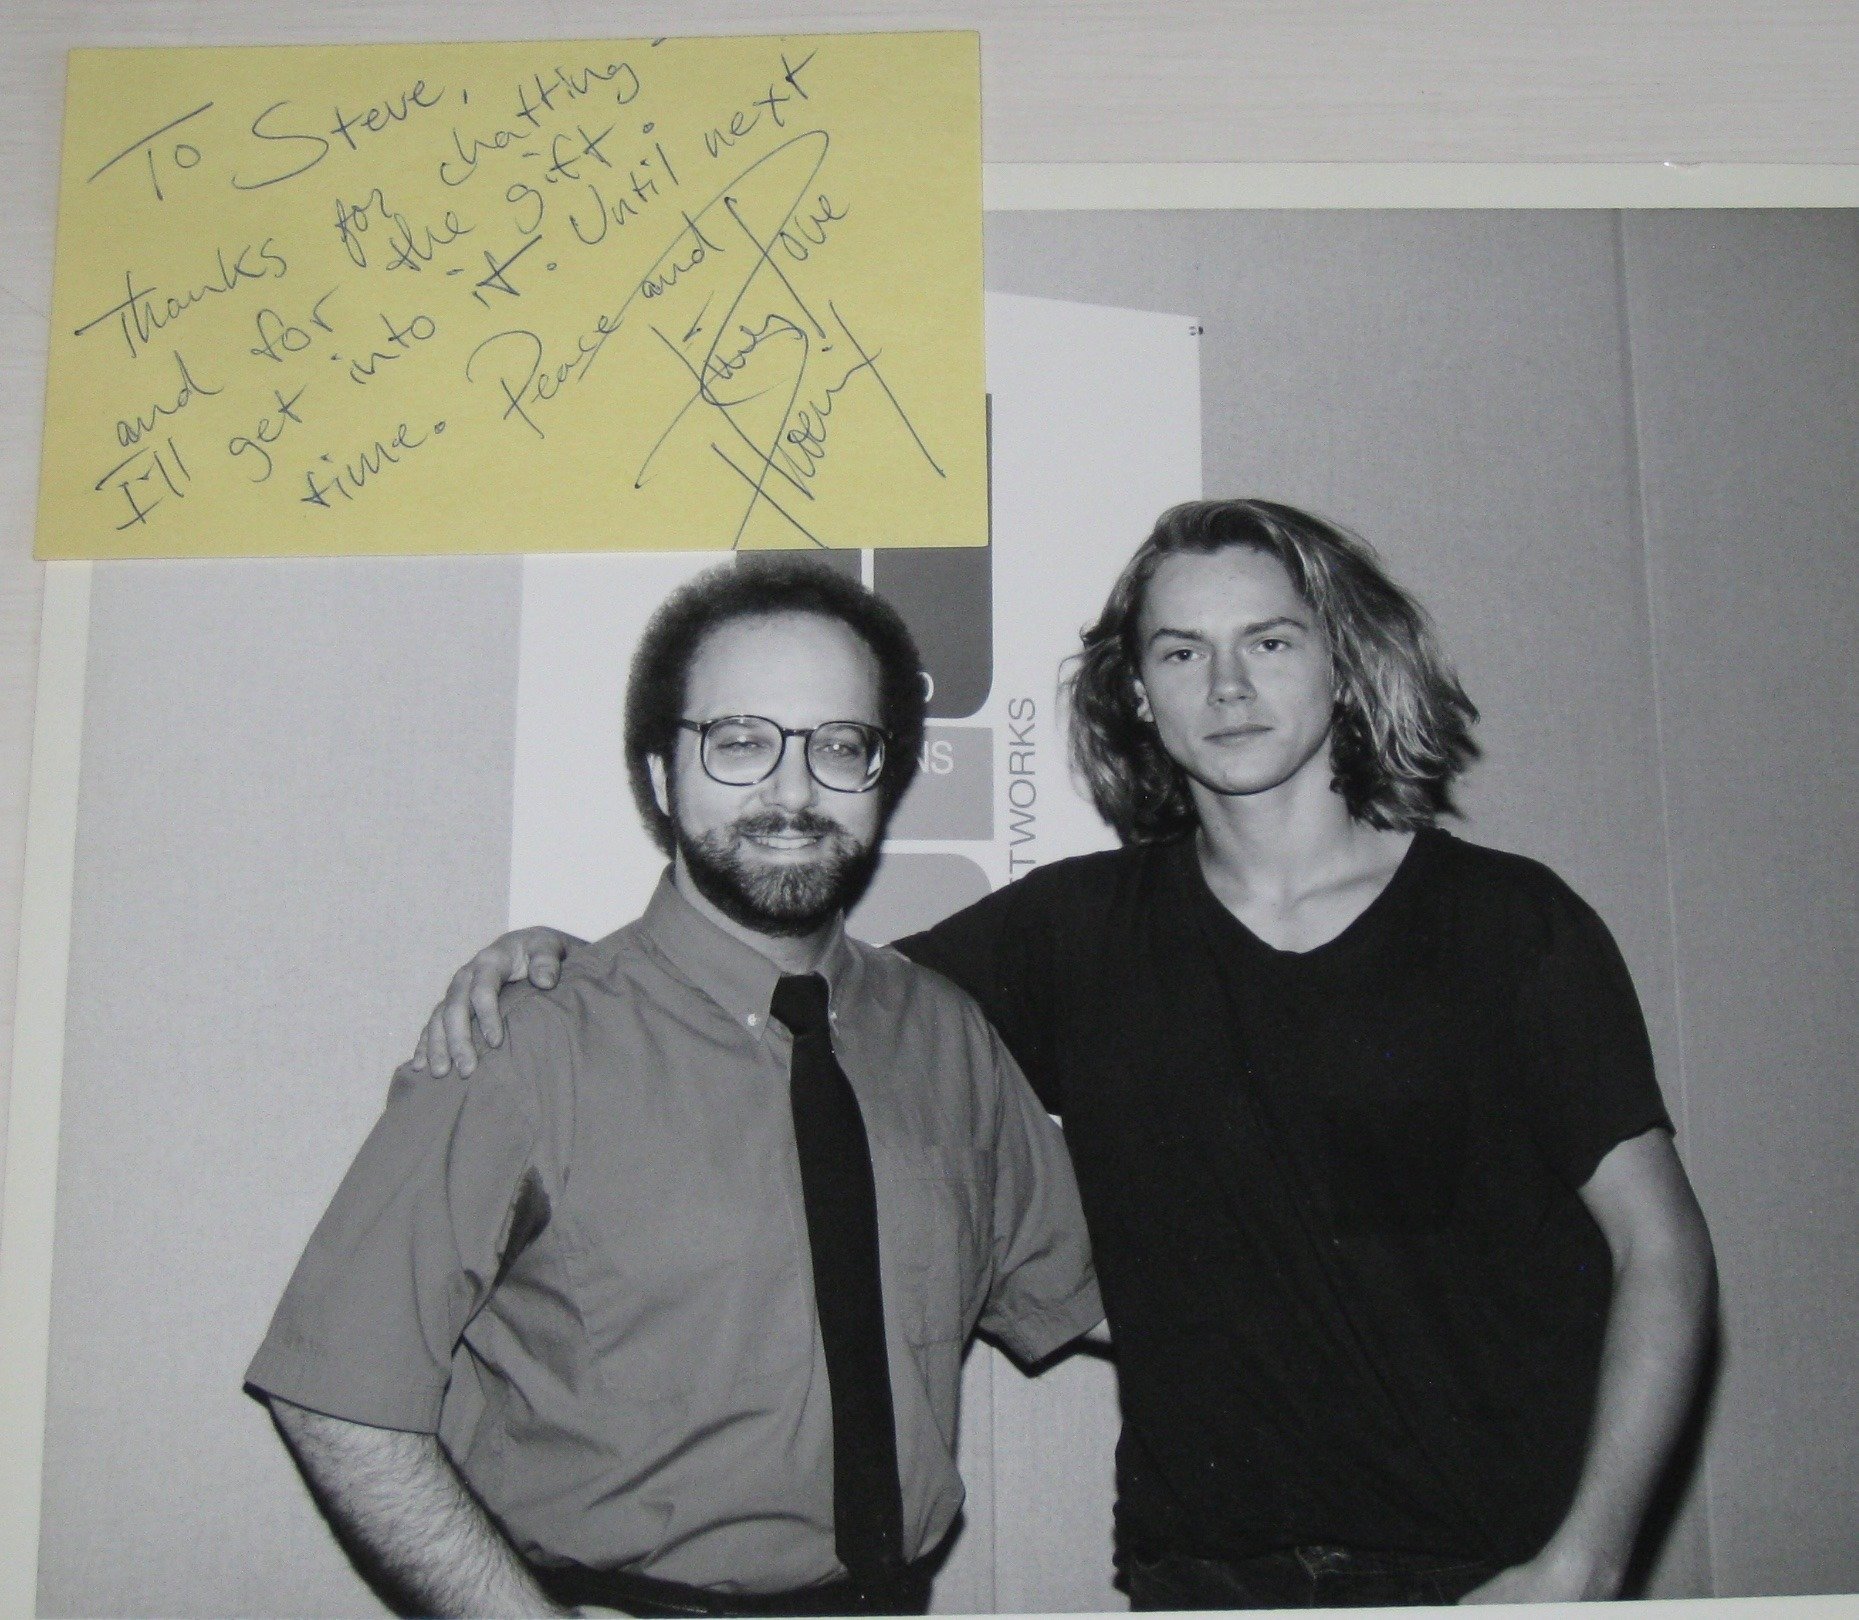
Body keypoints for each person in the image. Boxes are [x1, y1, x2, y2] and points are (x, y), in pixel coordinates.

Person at [421, 500, 1718, 1609]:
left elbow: (1656, 1250)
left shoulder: (1508, 924)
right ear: (1135, 693)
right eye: (1180, 650)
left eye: (1267, 641)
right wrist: (563, 959)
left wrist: (1584, 1564)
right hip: (1199, 1579)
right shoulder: (1067, 937)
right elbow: (789, 991)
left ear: (1343, 663)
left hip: (1494, 1575)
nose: (1225, 687)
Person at [246, 558, 1102, 1619]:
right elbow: (335, 1392)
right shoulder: (531, 1042)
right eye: (739, 741)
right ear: (662, 775)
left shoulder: (944, 1037)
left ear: (883, 778)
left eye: (839, 747)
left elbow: (1109, 1290)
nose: (791, 792)